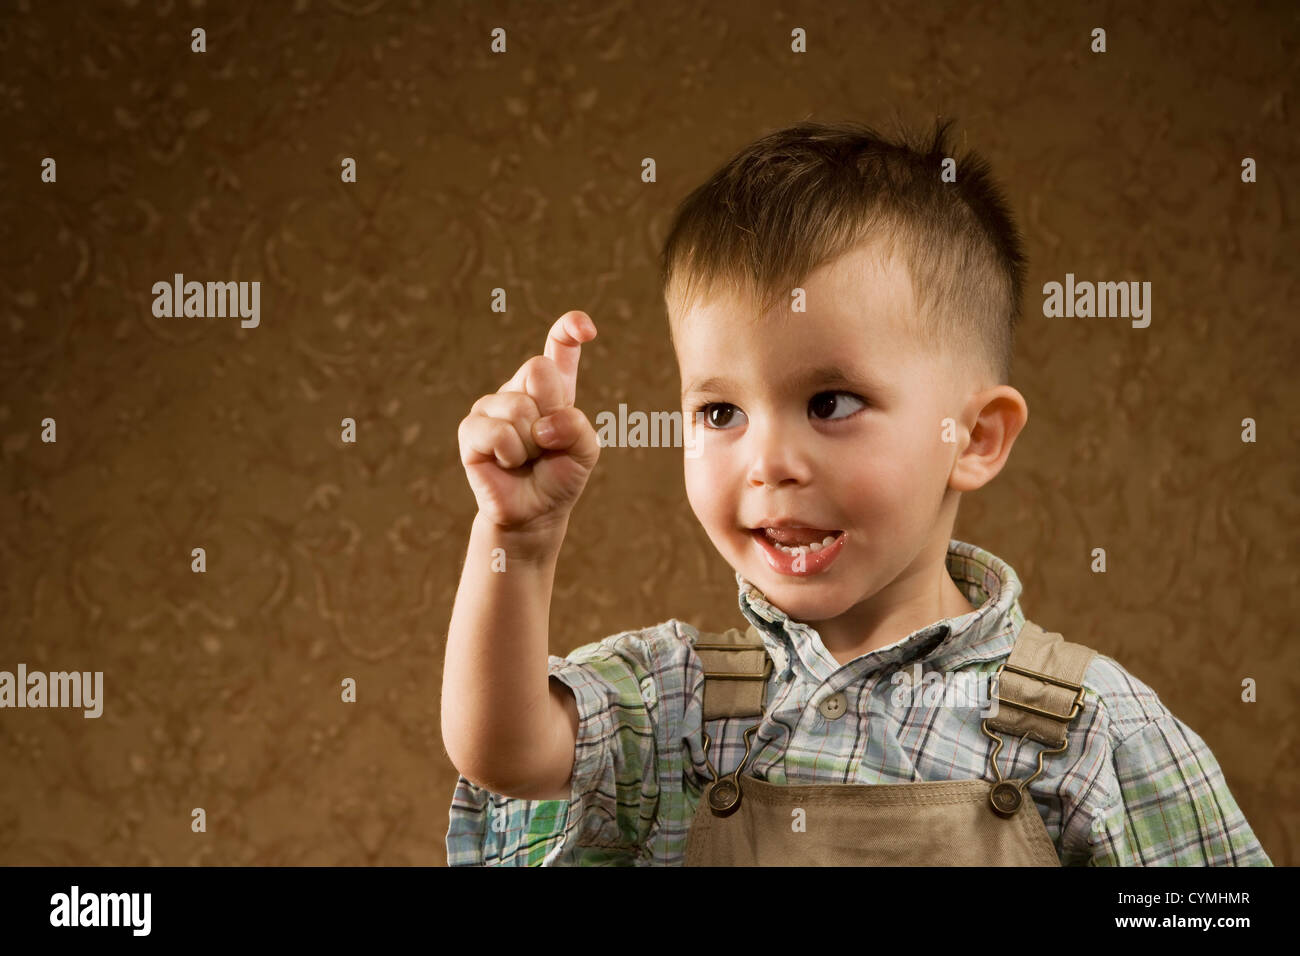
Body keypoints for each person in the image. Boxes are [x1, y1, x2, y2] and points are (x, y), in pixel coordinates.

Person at [441, 119, 1272, 866]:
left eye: (830, 403)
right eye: (721, 410)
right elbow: (501, 748)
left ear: (975, 438)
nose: (768, 462)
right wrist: (517, 540)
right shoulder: (673, 702)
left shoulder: (1089, 730)